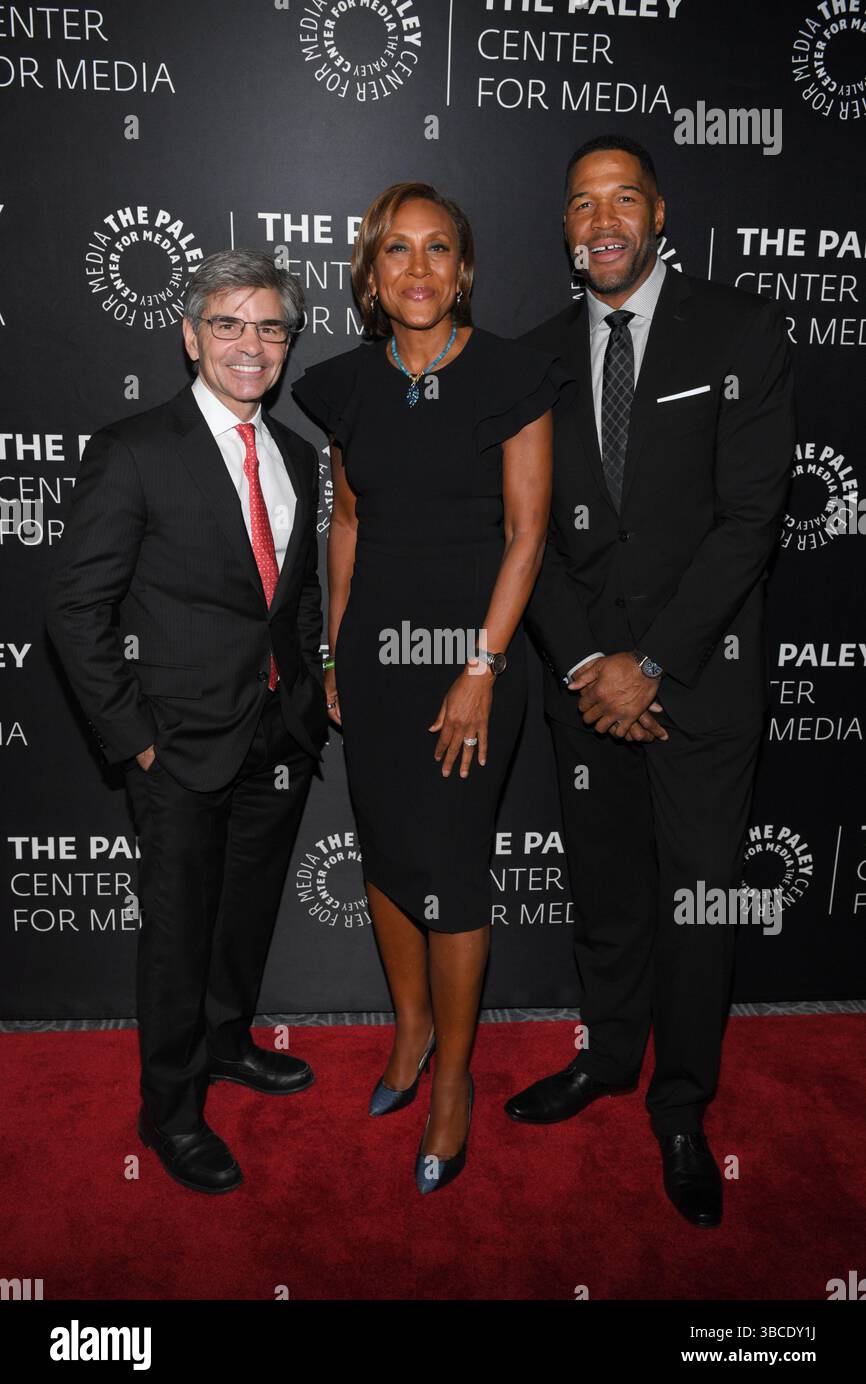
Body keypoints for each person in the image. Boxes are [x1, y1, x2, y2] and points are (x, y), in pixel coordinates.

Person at [506, 135, 796, 1227]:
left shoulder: (740, 329)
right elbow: (522, 536)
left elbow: (746, 520)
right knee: (609, 897)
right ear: (565, 228)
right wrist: (589, 664)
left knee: (698, 900)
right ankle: (607, 1059)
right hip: (582, 687)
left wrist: (653, 664)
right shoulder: (531, 358)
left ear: (659, 214)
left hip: (699, 687)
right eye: (581, 203)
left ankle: (681, 1105)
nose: (602, 219)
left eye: (622, 198)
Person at [292, 182, 569, 1194]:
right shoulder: (343, 387)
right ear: (369, 273)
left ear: (464, 269)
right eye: (395, 252)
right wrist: (331, 651)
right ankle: (407, 1030)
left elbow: (526, 531)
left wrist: (480, 668)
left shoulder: (511, 375)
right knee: (387, 848)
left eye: (437, 249)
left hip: (471, 663)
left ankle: (451, 1078)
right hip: (372, 660)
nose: (416, 269)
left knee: (449, 867)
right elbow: (348, 523)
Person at [45, 250, 328, 1195]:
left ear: (289, 344)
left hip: (277, 737)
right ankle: (169, 1110)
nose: (251, 346)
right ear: (189, 335)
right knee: (176, 933)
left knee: (243, 916)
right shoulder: (135, 449)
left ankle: (227, 1042)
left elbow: (291, 599)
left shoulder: (295, 455)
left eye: (271, 328)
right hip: (176, 746)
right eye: (229, 324)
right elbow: (76, 612)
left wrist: (310, 693)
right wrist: (134, 738)